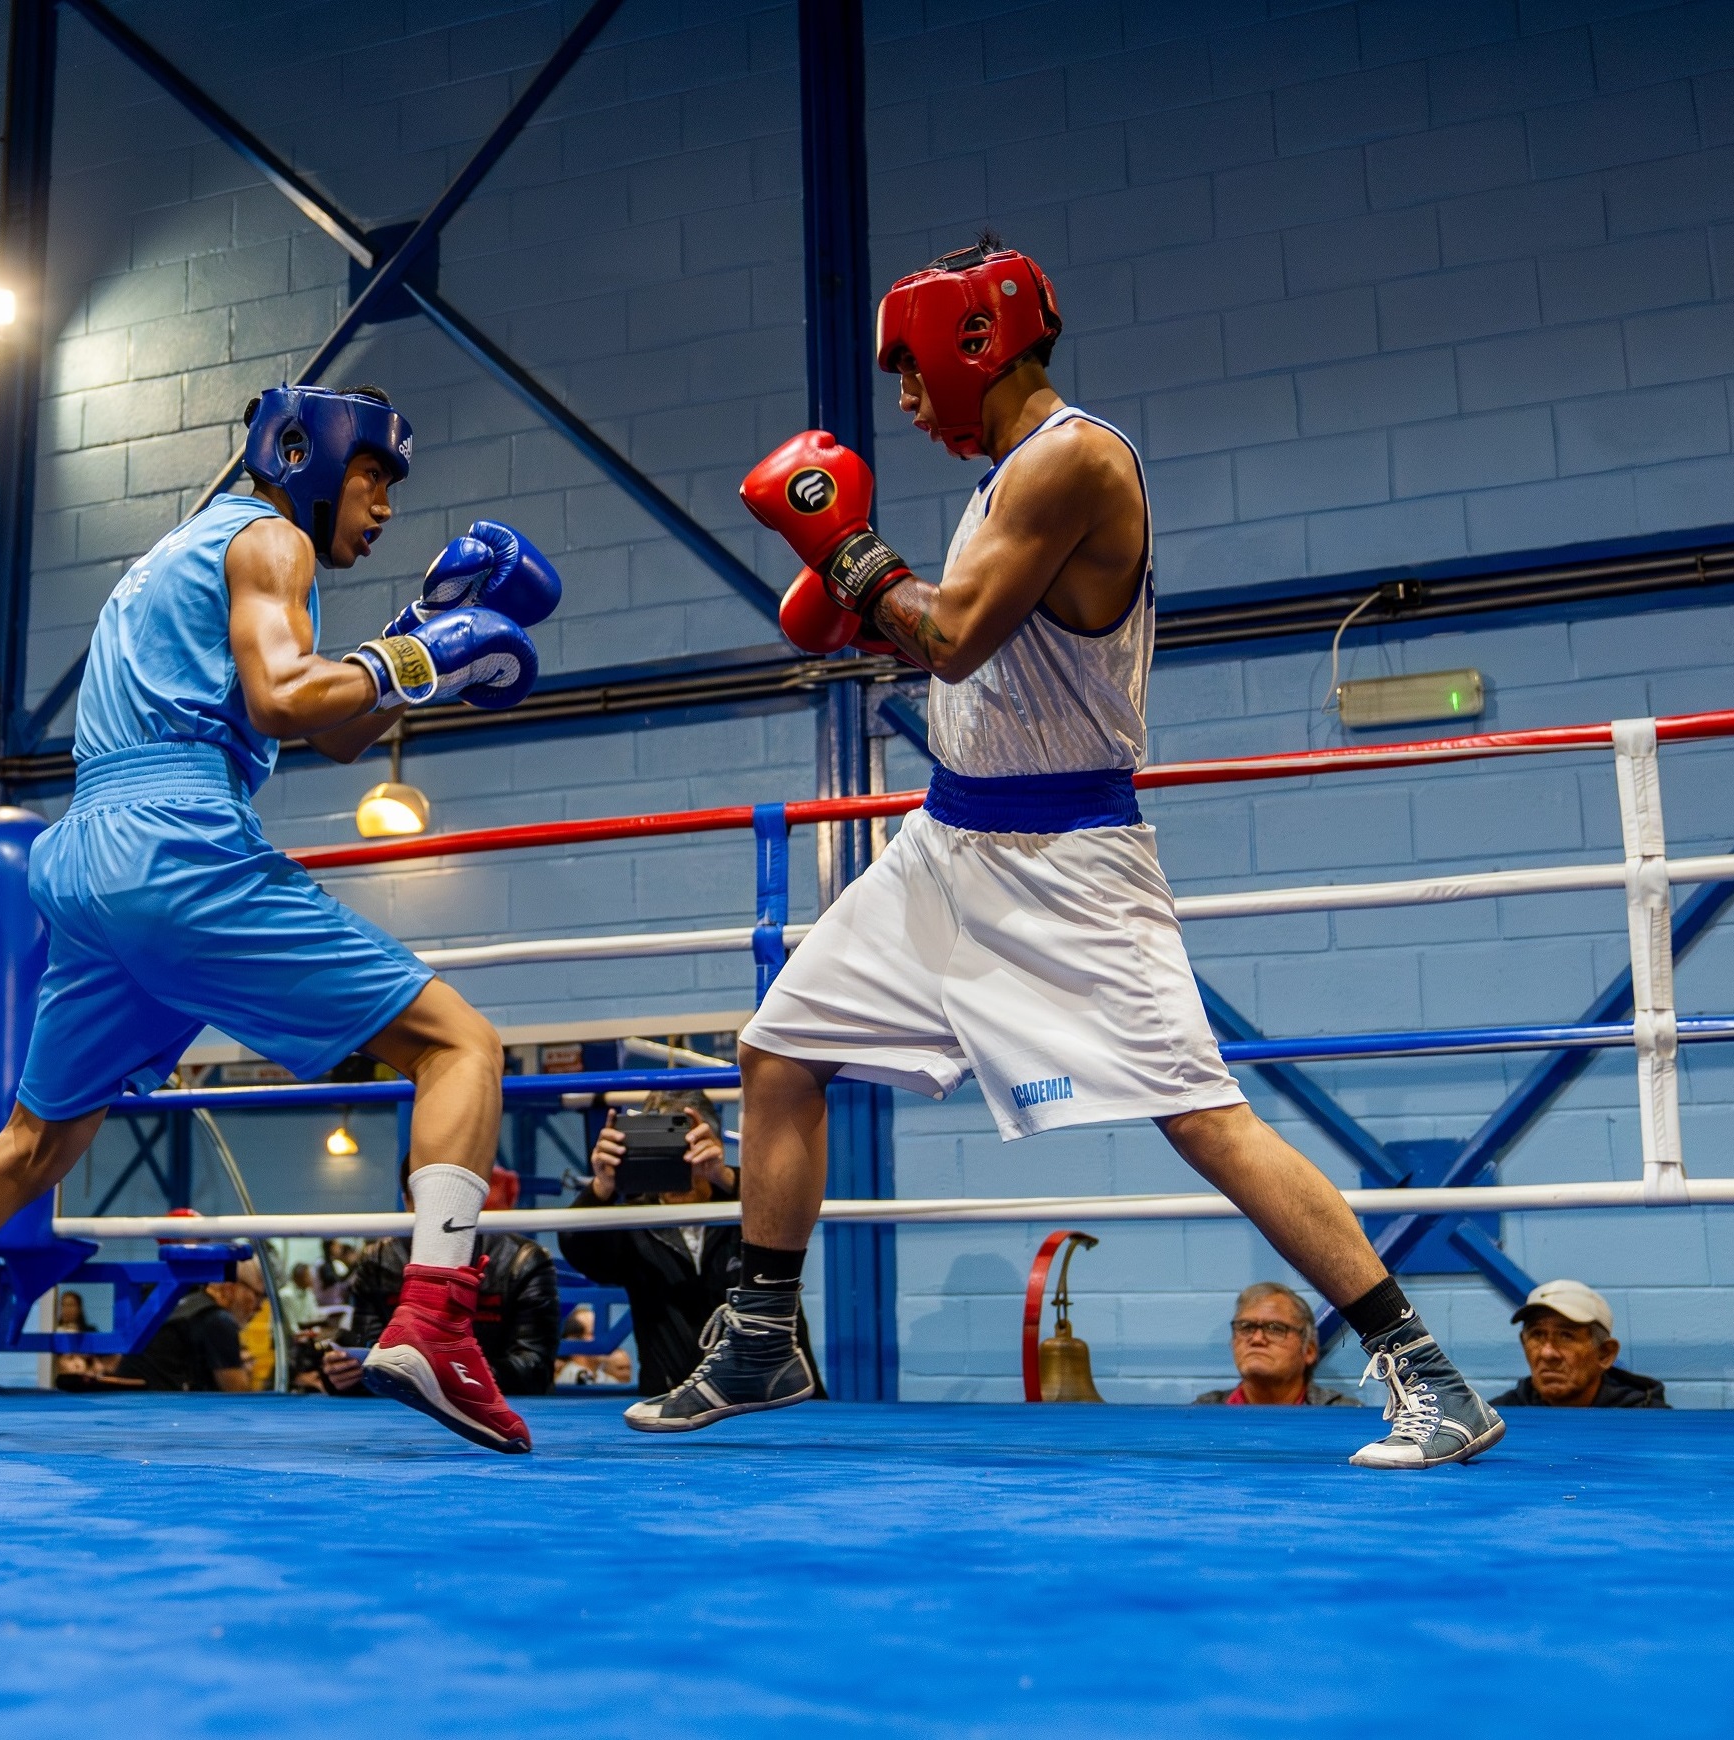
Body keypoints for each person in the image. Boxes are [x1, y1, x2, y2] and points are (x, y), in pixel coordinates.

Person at [654, 234, 1505, 1470]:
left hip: (1068, 861)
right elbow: (955, 654)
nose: (900, 398)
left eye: (909, 369)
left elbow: (945, 639)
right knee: (777, 1052)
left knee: (1203, 1121)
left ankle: (1424, 1375)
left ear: (975, 346)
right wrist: (854, 588)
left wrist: (844, 547)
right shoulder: (998, 485)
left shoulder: (1074, 462)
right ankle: (760, 1338)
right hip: (946, 843)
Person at [0, 385, 561, 1453]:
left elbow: (325, 735)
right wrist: (419, 660)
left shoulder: (175, 559)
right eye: (373, 478)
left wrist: (416, 646)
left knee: (31, 1141)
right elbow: (287, 698)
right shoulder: (270, 538)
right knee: (458, 1045)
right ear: (305, 456)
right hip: (176, 842)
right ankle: (435, 1317)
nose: (380, 510)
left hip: (87, 856)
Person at [558, 1090, 819, 1399]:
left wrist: (722, 1176)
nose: (673, 1164)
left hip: (772, 1400)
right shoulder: (634, 1220)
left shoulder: (749, 1204)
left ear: (713, 1145)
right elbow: (579, 1250)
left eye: (681, 1148)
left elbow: (791, 1216)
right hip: (673, 1400)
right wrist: (600, 1188)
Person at [321, 1162, 559, 1401]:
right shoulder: (379, 1260)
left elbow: (534, 1370)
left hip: (504, 1407)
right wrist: (347, 1374)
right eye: (430, 1199)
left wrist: (444, 1376)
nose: (442, 1209)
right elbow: (371, 1350)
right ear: (408, 1202)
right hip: (402, 1415)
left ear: (471, 1196)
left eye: (450, 1196)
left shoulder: (522, 1261)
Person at [1492, 1279, 1668, 1409]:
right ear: (1524, 1344)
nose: (1547, 1353)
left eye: (1566, 1336)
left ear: (1605, 1354)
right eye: (1537, 1335)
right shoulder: (1499, 1420)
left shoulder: (1647, 1421)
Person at [1193, 1282, 1356, 1407]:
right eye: (1245, 1327)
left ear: (1309, 1351)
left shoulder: (1343, 1415)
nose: (1257, 1339)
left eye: (1275, 1329)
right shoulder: (1200, 1414)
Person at [119, 1259, 265, 1393]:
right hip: (159, 1405)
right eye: (257, 1295)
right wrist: (246, 1371)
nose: (259, 1307)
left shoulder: (186, 1303)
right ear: (231, 1286)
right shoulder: (217, 1320)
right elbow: (239, 1394)